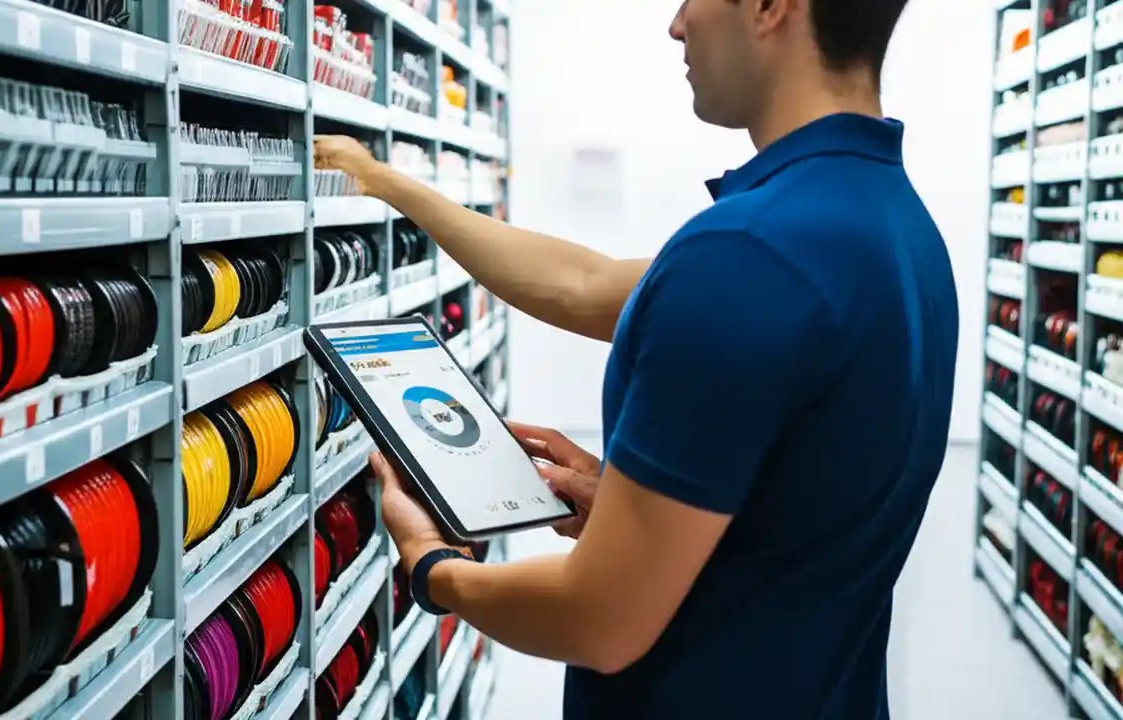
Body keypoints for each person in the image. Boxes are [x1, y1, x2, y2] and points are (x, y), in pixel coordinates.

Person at [315, 0, 958, 717]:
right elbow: (583, 284)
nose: (677, 23)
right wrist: (391, 183)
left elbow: (598, 618)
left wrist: (432, 566)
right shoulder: (897, 227)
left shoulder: (748, 253)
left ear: (771, 8)